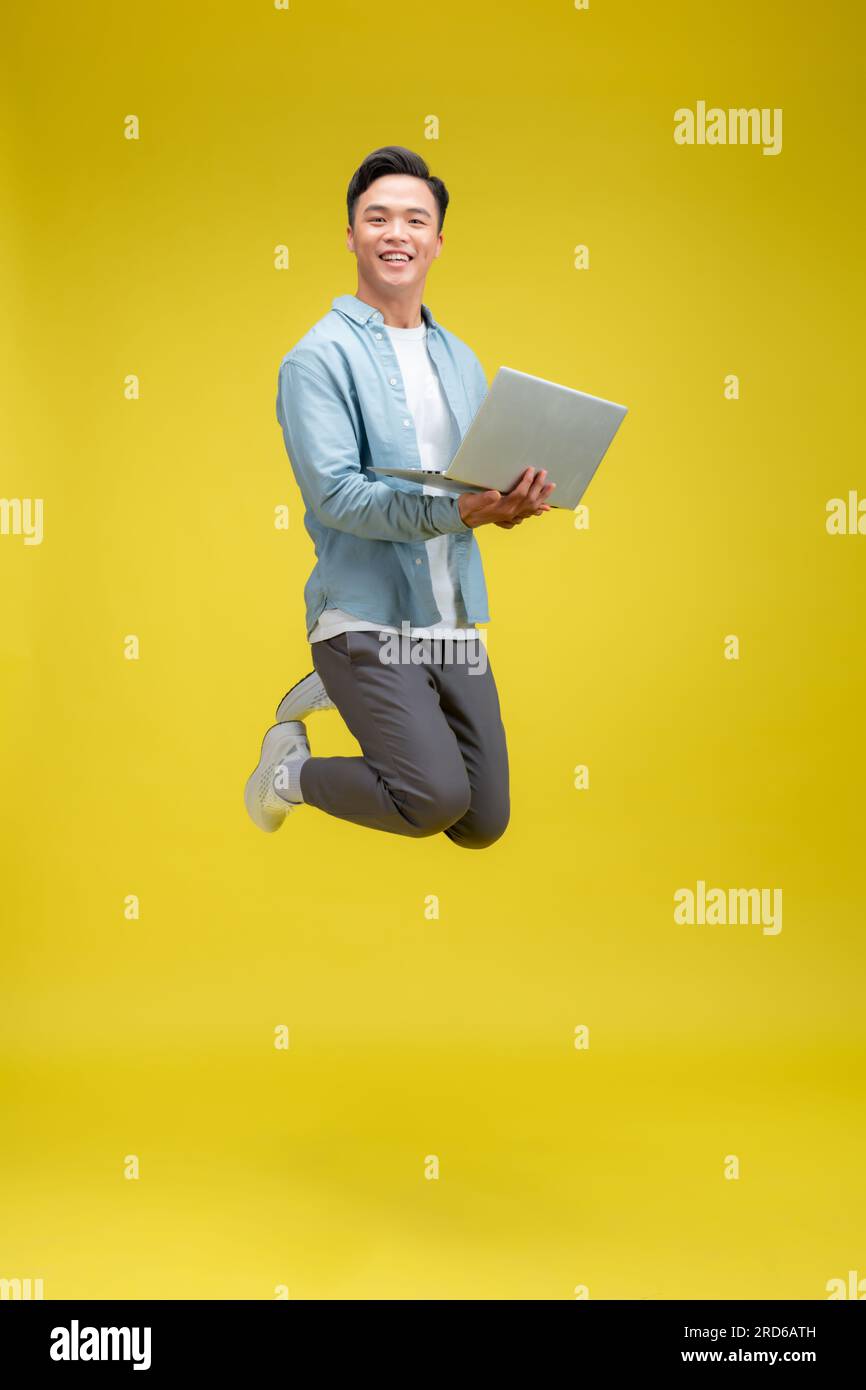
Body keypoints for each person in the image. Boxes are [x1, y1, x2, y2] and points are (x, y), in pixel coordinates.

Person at [244, 145, 555, 846]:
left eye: (415, 220)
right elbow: (338, 498)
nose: (396, 233)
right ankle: (289, 770)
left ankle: (360, 697)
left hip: (449, 617)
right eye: (376, 217)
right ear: (351, 236)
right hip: (365, 615)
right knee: (432, 797)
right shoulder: (317, 358)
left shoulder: (460, 358)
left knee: (482, 821)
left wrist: (508, 505)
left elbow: (470, 487)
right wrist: (457, 510)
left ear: (437, 242)